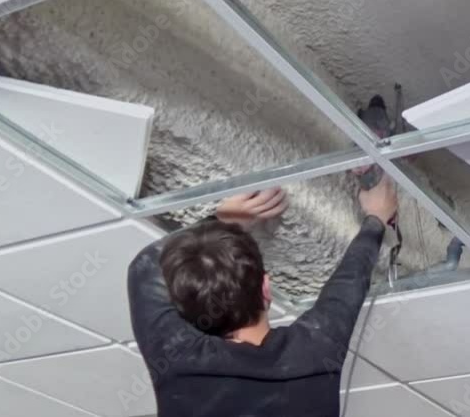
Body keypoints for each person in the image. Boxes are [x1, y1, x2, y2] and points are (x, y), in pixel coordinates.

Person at [127, 176, 398, 417]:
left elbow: (345, 293)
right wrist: (224, 221)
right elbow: (144, 268)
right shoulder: (176, 361)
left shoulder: (315, 352)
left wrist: (375, 221)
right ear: (266, 288)